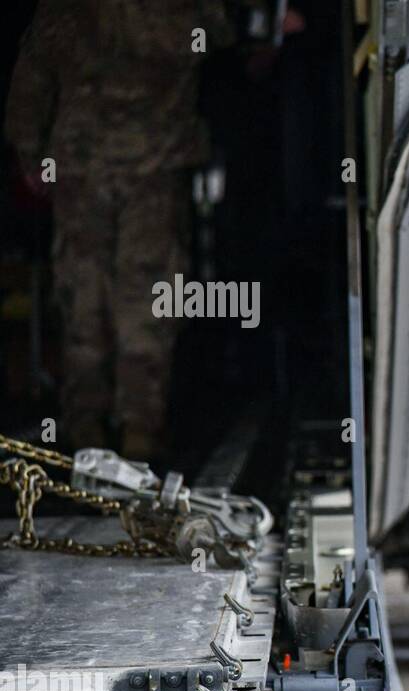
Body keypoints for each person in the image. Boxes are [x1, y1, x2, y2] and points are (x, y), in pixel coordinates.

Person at [4, 0, 234, 461]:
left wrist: (30, 154)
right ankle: (139, 429)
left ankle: (85, 427)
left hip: (79, 165)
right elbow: (217, 36)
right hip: (155, 162)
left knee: (82, 292)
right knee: (148, 295)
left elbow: (31, 77)